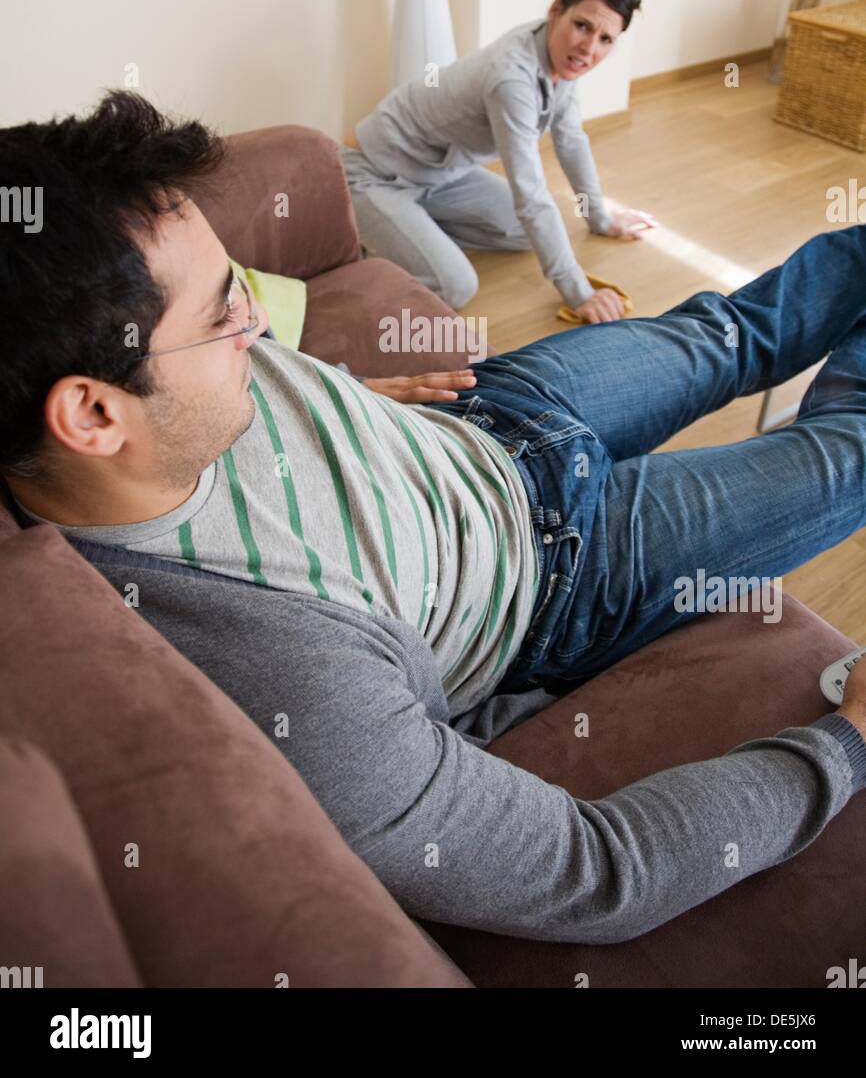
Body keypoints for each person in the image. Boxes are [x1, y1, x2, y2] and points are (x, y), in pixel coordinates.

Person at [1, 91, 864, 946]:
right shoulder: (277, 680)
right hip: (564, 570)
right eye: (227, 310)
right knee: (849, 454)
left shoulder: (88, 370)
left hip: (488, 410)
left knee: (742, 325)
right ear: (93, 417)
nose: (262, 323)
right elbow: (602, 874)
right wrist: (847, 743)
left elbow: (234, 371)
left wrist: (351, 399)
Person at [341, 0, 656, 323]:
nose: (589, 49)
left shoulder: (559, 60)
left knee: (525, 234)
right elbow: (530, 192)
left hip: (441, 174)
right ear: (556, 11)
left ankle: (409, 231)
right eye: (582, 26)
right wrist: (579, 293)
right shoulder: (511, 79)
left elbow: (571, 141)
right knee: (456, 286)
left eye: (605, 39)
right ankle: (367, 231)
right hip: (373, 173)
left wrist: (599, 217)